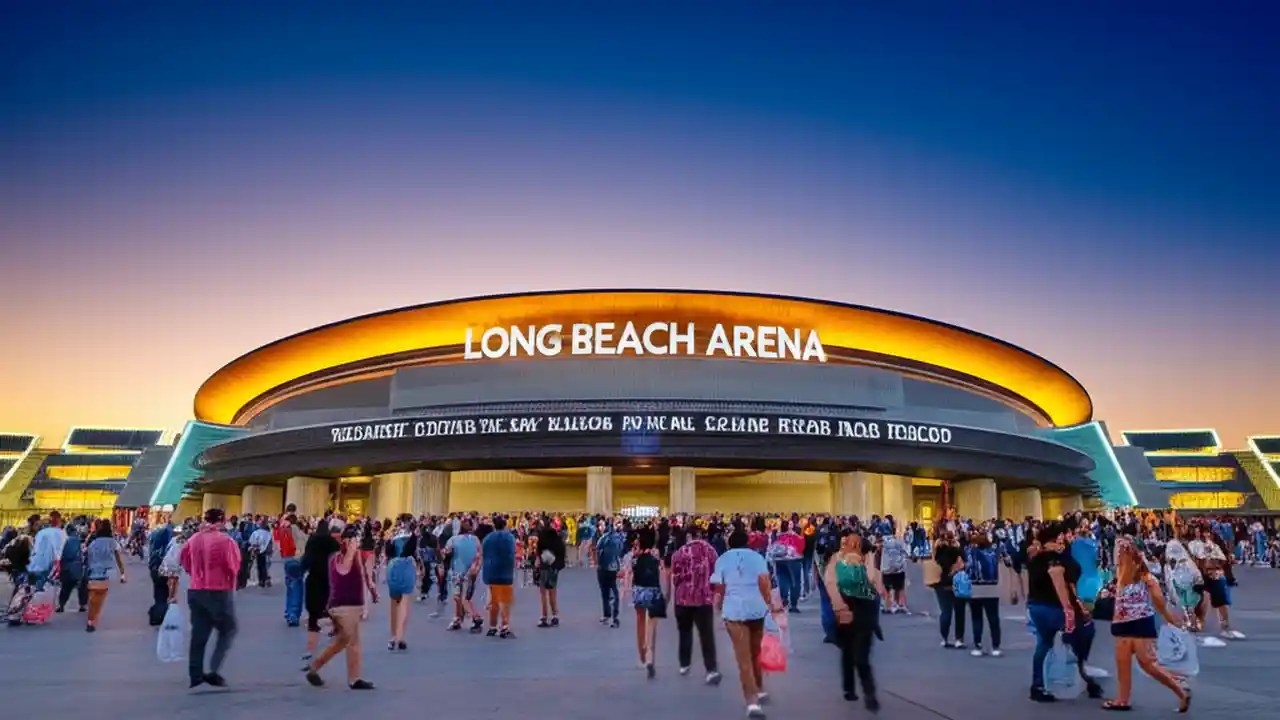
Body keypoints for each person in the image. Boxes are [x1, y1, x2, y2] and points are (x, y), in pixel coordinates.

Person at [1104, 537, 1189, 712]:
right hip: (1129, 623)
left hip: (1135, 623)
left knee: (1144, 663)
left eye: (1122, 553)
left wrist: (1169, 618)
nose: (1119, 556)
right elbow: (1158, 600)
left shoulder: (1143, 576)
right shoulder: (1127, 574)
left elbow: (1158, 600)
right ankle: (1123, 699)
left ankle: (1180, 690)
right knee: (1134, 663)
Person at [712, 527, 779, 719]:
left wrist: (719, 607)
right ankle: (759, 688)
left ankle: (752, 702)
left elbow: (720, 587)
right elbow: (764, 582)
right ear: (747, 542)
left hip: (734, 612)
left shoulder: (723, 559)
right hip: (756, 609)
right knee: (756, 652)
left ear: (729, 543)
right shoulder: (757, 557)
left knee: (743, 659)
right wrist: (768, 602)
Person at [305, 524, 376, 690]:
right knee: (354, 644)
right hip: (349, 606)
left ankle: (314, 667)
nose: (357, 542)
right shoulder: (352, 556)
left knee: (341, 642)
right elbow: (350, 571)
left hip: (335, 606)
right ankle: (354, 679)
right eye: (355, 539)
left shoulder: (333, 558)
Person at [179, 508, 241, 689]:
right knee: (228, 629)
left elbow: (184, 560)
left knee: (199, 633)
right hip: (219, 590)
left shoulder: (193, 539)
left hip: (196, 589)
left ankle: (195, 673)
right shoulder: (226, 541)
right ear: (222, 520)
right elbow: (233, 566)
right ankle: (214, 669)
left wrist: (195, 574)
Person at [825, 529, 882, 711]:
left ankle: (865, 691)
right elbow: (831, 584)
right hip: (849, 612)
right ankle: (853, 688)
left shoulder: (864, 564)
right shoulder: (837, 561)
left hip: (861, 615)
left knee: (857, 655)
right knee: (851, 653)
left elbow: (874, 587)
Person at [671, 522, 720, 685]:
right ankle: (711, 669)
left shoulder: (679, 553)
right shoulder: (711, 551)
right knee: (706, 635)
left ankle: (684, 664)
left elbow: (675, 578)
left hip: (683, 598)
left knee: (684, 632)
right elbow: (716, 574)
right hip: (704, 598)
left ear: (688, 536)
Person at [302, 519, 342, 664]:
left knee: (313, 615)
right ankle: (338, 629)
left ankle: (310, 648)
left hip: (314, 579)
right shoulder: (333, 543)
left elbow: (305, 560)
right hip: (329, 581)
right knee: (331, 609)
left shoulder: (312, 540)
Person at [631, 528, 666, 678]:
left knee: (640, 622)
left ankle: (642, 656)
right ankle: (651, 655)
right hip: (654, 591)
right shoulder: (656, 557)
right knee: (652, 626)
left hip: (639, 590)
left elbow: (629, 572)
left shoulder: (635, 558)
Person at [963, 532, 1005, 657]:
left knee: (976, 617)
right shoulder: (993, 552)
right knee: (993, 618)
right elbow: (1006, 560)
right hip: (991, 587)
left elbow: (967, 567)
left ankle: (978, 645)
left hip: (975, 587)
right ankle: (995, 646)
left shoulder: (970, 552)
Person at [83, 518, 127, 632]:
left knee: (93, 596)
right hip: (107, 573)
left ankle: (90, 619)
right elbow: (118, 558)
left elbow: (88, 556)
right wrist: (122, 572)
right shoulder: (113, 542)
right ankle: (92, 620)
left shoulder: (93, 543)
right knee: (100, 597)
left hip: (93, 572)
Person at [384, 515, 418, 651]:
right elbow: (412, 552)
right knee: (405, 603)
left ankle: (392, 637)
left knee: (393, 604)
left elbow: (388, 552)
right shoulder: (413, 535)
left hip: (393, 566)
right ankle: (400, 636)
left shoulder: (392, 534)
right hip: (407, 566)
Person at [444, 518, 483, 632]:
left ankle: (474, 618)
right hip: (471, 572)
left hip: (458, 571)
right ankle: (458, 619)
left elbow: (446, 552)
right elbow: (480, 554)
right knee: (466, 597)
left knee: (458, 597)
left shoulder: (454, 539)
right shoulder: (475, 539)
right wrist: (477, 567)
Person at [481, 514, 517, 638]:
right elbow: (513, 552)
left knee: (493, 601)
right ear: (505, 525)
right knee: (505, 601)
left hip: (491, 572)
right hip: (505, 572)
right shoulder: (509, 537)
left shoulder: (487, 538)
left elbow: (483, 553)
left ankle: (492, 626)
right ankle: (505, 626)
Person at [930, 531, 966, 648]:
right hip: (958, 582)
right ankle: (959, 639)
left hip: (941, 584)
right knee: (959, 611)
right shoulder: (957, 551)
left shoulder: (939, 552)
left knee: (945, 611)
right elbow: (964, 560)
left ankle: (944, 638)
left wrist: (936, 545)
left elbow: (933, 559)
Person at [275, 512, 306, 626]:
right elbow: (303, 546)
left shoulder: (283, 529)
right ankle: (294, 615)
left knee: (290, 586)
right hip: (297, 559)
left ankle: (288, 612)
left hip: (287, 559)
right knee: (297, 587)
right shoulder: (297, 531)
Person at [536, 518, 566, 627]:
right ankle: (555, 616)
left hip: (544, 566)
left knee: (543, 593)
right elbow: (562, 553)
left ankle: (544, 617)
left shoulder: (542, 537)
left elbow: (538, 551)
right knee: (553, 591)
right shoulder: (558, 539)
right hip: (554, 567)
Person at [595, 521, 625, 628]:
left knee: (605, 592)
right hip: (613, 568)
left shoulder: (602, 539)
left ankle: (607, 615)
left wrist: (597, 564)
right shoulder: (619, 538)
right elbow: (621, 552)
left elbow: (597, 551)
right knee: (613, 591)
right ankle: (614, 616)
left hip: (603, 568)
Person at [26, 511, 66, 590]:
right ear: (59, 521)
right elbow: (62, 551)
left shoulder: (41, 533)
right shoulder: (62, 534)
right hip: (49, 569)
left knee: (34, 591)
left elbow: (35, 550)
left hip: (34, 566)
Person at [56, 518, 88, 614]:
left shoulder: (64, 540)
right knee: (82, 586)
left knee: (66, 587)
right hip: (77, 566)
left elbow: (61, 554)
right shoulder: (78, 540)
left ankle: (61, 605)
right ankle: (82, 605)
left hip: (66, 566)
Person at [878, 530, 909, 614]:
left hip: (886, 568)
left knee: (887, 588)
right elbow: (906, 553)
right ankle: (898, 604)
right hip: (899, 568)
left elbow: (878, 554)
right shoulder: (899, 541)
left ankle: (888, 606)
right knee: (898, 588)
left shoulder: (881, 543)